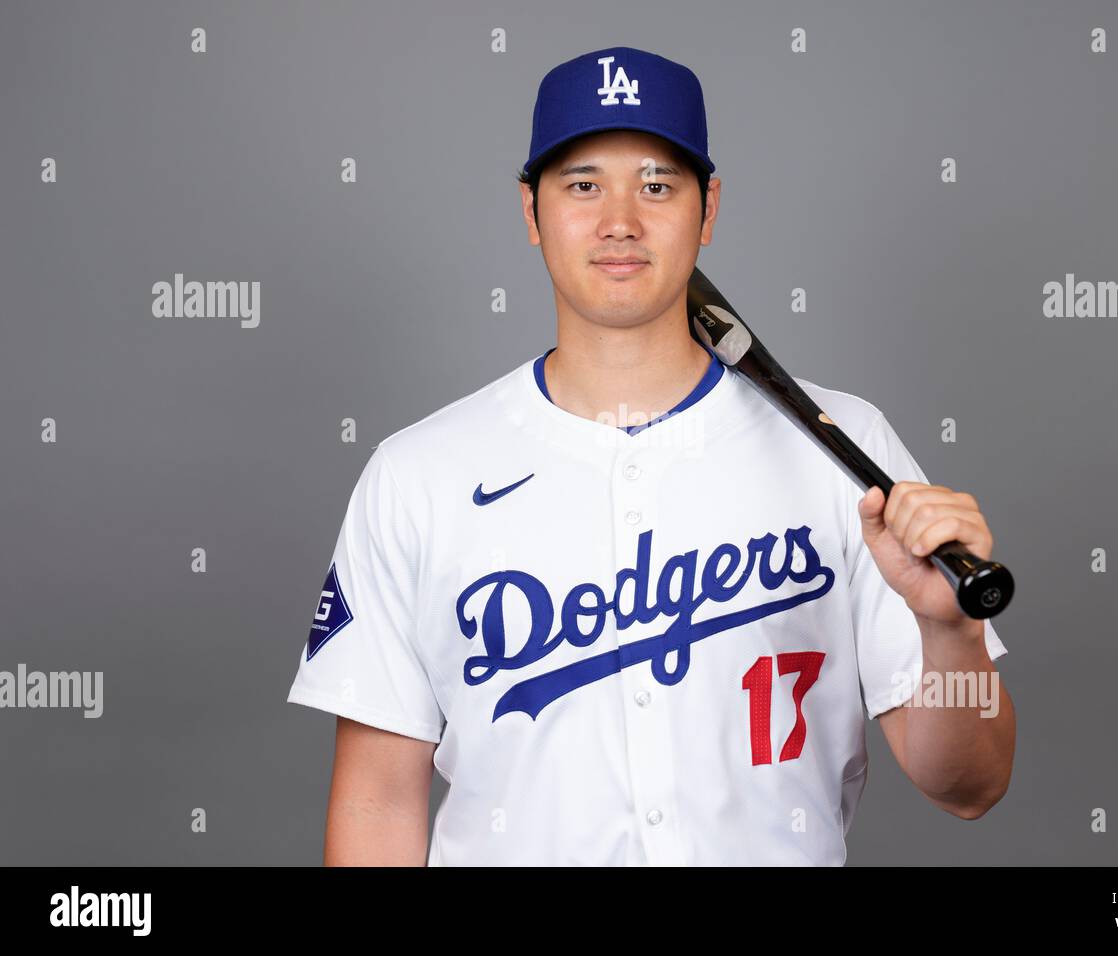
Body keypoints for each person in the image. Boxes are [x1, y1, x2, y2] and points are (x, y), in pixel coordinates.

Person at [287, 45, 1015, 866]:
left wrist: (948, 633)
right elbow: (377, 802)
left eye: (659, 186)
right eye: (583, 184)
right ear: (531, 212)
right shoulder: (417, 475)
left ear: (708, 210)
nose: (620, 221)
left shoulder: (844, 448)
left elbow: (969, 787)